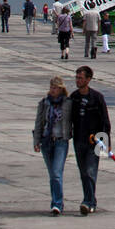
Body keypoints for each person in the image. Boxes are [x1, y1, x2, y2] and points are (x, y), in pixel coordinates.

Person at [70, 66, 110, 215]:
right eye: (77, 77)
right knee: (83, 173)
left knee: (90, 171)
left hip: (95, 142)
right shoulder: (74, 97)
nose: (78, 80)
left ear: (88, 79)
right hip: (79, 140)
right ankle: (90, 200)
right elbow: (68, 119)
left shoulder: (97, 97)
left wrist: (105, 143)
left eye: (80, 78)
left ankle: (88, 202)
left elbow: (105, 121)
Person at [34, 76, 73, 215]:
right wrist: (36, 141)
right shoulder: (45, 103)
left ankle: (57, 203)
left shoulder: (68, 103)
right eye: (51, 87)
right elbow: (39, 123)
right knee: (52, 174)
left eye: (55, 88)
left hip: (61, 141)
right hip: (47, 141)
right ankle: (56, 202)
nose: (52, 90)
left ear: (61, 89)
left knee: (56, 173)